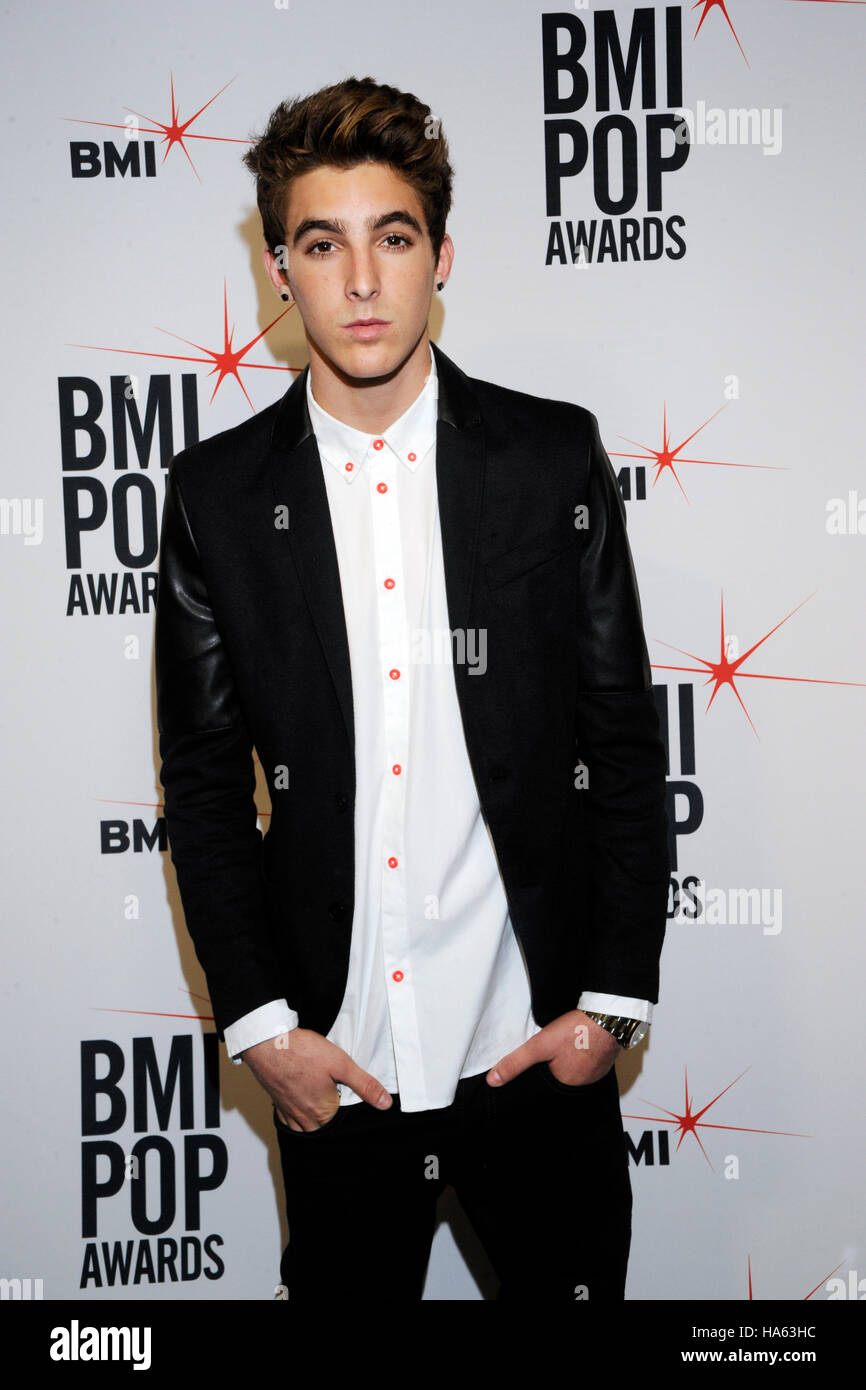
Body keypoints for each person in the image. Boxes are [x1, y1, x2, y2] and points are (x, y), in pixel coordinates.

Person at [155, 76, 669, 1302]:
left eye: (392, 238)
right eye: (321, 245)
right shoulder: (219, 497)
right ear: (279, 268)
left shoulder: (550, 459)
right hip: (337, 1069)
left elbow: (624, 744)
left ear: (441, 254)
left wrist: (607, 1007)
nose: (363, 282)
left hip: (532, 1052)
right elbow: (205, 789)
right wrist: (262, 1031)